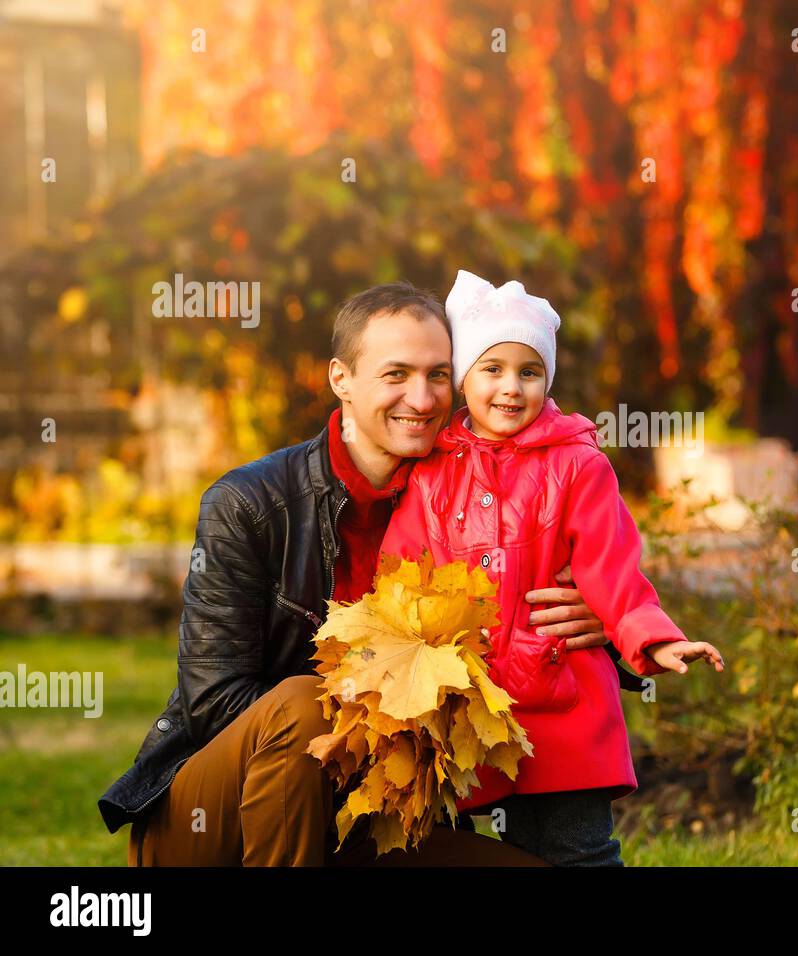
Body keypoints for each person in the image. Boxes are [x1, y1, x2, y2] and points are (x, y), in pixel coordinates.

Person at [97, 282, 624, 866]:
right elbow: (212, 700)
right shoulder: (250, 504)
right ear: (340, 379)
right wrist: (369, 719)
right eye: (395, 374)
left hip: (359, 816)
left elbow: (575, 565)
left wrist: (597, 618)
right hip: (215, 824)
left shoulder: (461, 495)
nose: (421, 399)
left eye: (439, 375)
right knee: (305, 704)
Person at [379, 270, 725, 866]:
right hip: (473, 704)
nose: (511, 388)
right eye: (493, 369)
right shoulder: (433, 473)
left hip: (567, 703)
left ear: (547, 379)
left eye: (529, 371)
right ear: (464, 378)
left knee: (576, 852)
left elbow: (612, 569)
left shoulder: (578, 466)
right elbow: (399, 573)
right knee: (495, 854)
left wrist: (655, 639)